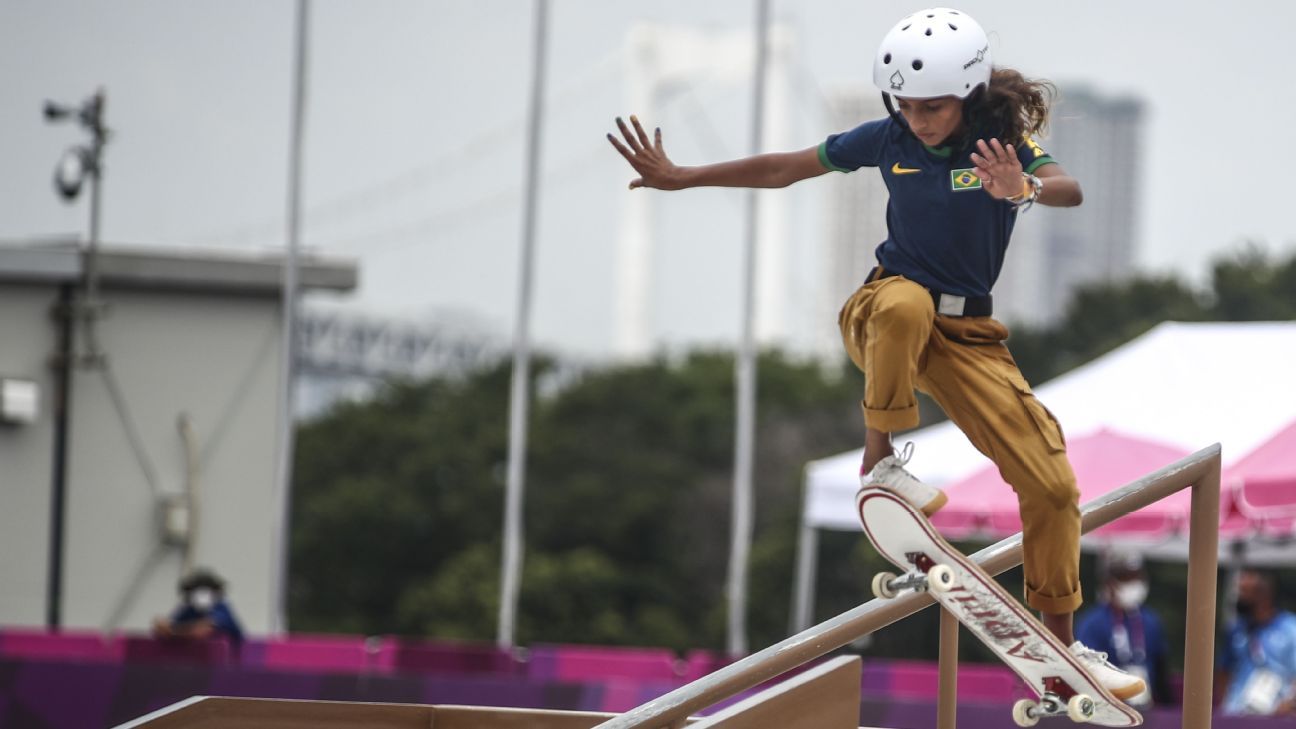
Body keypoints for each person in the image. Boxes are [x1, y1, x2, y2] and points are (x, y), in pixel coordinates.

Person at [608, 7, 1143, 699]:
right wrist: (685, 176)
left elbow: (1068, 187)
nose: (919, 121)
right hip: (883, 312)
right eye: (909, 106)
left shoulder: (1002, 142)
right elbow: (788, 166)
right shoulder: (886, 137)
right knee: (906, 300)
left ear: (970, 94)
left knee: (1053, 486)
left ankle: (1067, 659)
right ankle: (878, 458)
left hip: (972, 341)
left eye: (935, 108)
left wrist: (1024, 188)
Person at [1075, 550, 1171, 706]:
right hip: (1105, 706)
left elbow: (1161, 669)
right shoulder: (1092, 623)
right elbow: (1086, 669)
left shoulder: (1151, 621)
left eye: (1136, 577)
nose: (1133, 584)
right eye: (1126, 578)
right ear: (1109, 582)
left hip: (1147, 707)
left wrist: (1167, 707)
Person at [1216, 568, 1296, 715]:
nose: (1238, 598)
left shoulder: (1290, 628)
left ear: (1263, 595)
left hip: (1276, 715)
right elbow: (1224, 671)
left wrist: (1289, 703)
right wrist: (1225, 704)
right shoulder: (1235, 629)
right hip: (1236, 713)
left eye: (1244, 592)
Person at [151, 568, 245, 647]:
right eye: (196, 590)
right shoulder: (189, 609)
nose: (201, 594)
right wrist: (164, 627)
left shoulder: (221, 608)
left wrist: (175, 632)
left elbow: (201, 631)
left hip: (229, 663)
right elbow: (166, 627)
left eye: (206, 590)